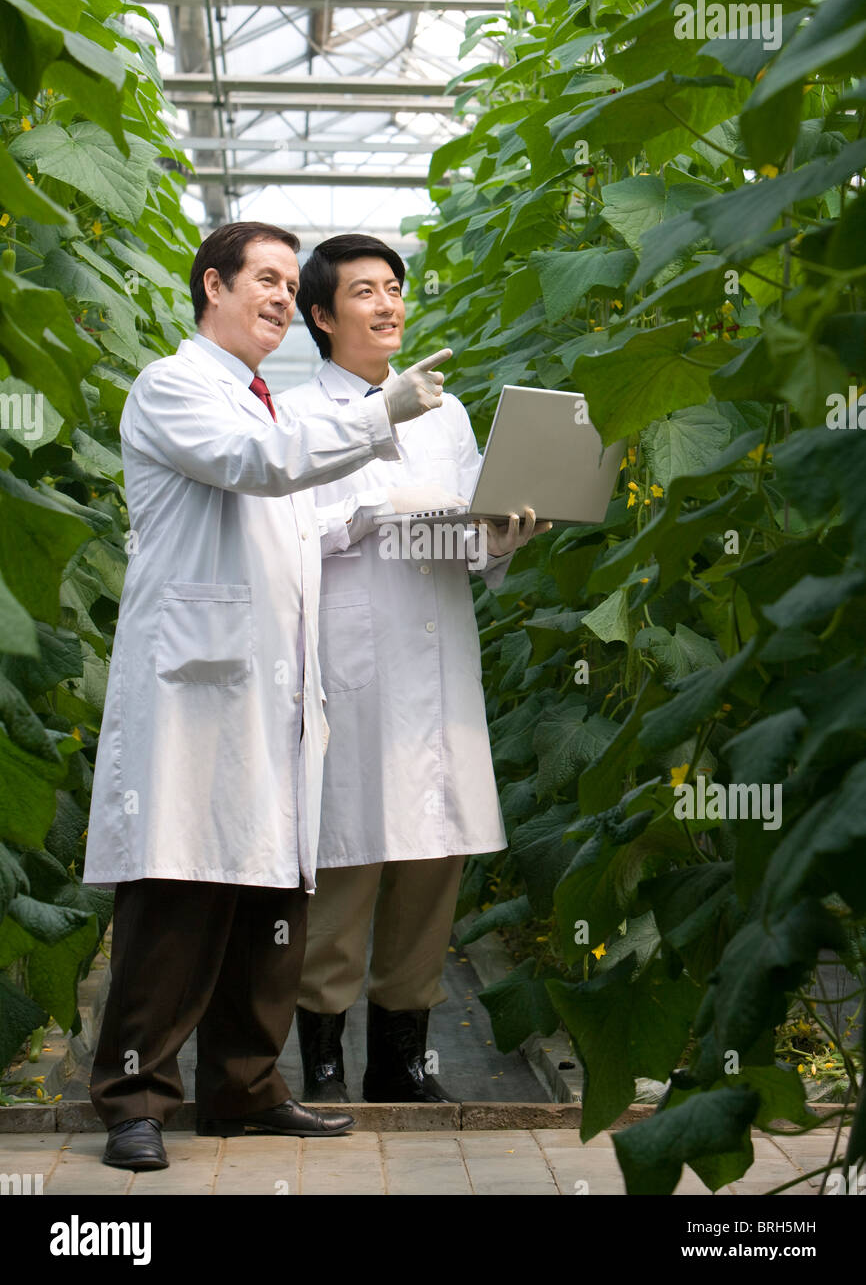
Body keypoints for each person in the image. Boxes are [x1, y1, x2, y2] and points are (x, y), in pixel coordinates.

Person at [83, 221, 450, 1169]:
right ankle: (134, 1100)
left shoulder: (264, 404)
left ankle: (245, 1090)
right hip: (196, 692)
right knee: (176, 897)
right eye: (269, 280)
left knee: (269, 902)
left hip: (276, 692)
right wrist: (383, 413)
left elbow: (296, 516)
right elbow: (263, 464)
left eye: (292, 285)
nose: (285, 299)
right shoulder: (175, 388)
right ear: (213, 285)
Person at [277, 234, 550, 1103]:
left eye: (394, 288)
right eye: (364, 291)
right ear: (322, 317)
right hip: (352, 663)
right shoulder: (295, 413)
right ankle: (319, 1065)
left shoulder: (449, 412)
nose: (389, 304)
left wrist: (498, 537)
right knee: (345, 868)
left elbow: (464, 532)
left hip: (437, 659)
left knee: (435, 862)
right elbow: (293, 533)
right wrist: (378, 505)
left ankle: (401, 1064)